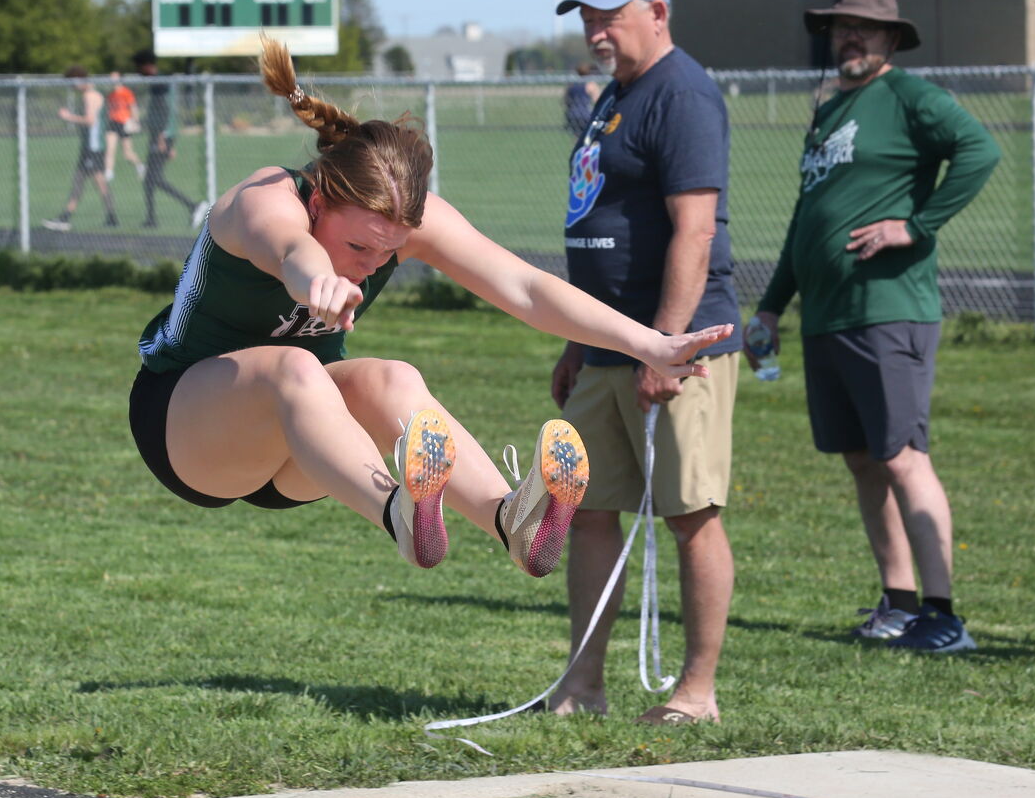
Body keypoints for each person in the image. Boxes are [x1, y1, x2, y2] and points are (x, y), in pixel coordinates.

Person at [133, 36, 730, 588]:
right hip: (188, 426)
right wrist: (319, 280)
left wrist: (650, 344)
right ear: (319, 199)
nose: (372, 263)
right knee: (292, 366)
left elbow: (525, 288)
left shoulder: (410, 220)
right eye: (360, 247)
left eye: (390, 251)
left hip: (306, 445)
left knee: (395, 377)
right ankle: (400, 514)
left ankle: (511, 519)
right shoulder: (265, 201)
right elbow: (292, 250)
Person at [752, 0, 1001, 653]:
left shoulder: (909, 96)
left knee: (902, 456)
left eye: (864, 29)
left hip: (888, 310)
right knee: (863, 460)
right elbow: (809, 219)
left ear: (891, 39)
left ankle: (944, 613)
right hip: (829, 316)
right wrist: (772, 305)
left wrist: (914, 226)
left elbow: (981, 151)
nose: (850, 38)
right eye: (840, 28)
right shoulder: (830, 109)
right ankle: (897, 601)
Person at [543, 0, 742, 726]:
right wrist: (574, 340)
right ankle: (581, 685)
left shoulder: (682, 93)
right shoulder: (613, 96)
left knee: (691, 511)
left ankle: (695, 693)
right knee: (588, 509)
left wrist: (666, 345)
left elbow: (693, 231)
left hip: (671, 347)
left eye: (608, 14)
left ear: (656, 10)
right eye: (587, 16)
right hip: (603, 347)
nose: (595, 29)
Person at [42, 68, 116, 232]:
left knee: (86, 182)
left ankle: (66, 218)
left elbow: (90, 121)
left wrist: (68, 117)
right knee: (89, 182)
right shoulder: (93, 94)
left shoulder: (90, 96)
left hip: (93, 147)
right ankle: (110, 217)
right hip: (91, 147)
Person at [135, 50, 193, 230]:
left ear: (146, 66)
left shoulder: (159, 83)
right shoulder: (158, 81)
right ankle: (151, 218)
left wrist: (162, 139)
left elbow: (163, 111)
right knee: (150, 181)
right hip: (161, 135)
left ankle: (193, 205)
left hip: (162, 136)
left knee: (154, 178)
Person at [103, 71, 146, 193]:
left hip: (124, 123)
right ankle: (109, 173)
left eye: (114, 78)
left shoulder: (126, 92)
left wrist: (135, 122)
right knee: (110, 149)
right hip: (113, 123)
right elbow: (109, 109)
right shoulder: (110, 95)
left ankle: (140, 166)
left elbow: (133, 107)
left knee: (127, 153)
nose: (112, 80)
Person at [562, 63, 598, 137]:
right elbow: (597, 100)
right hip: (585, 114)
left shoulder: (571, 85)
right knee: (588, 136)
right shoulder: (590, 84)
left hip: (572, 114)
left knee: (576, 137)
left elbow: (566, 100)